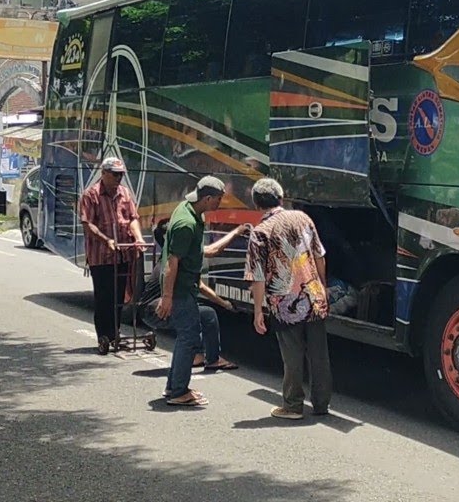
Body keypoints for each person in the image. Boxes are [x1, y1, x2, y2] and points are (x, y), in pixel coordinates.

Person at [245, 178, 332, 421]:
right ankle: (321, 404)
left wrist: (258, 311)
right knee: (319, 354)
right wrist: (322, 286)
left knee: (292, 356)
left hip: (285, 305)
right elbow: (319, 255)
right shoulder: (303, 219)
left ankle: (293, 406)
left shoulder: (260, 232)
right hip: (314, 296)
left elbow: (258, 277)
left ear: (256, 204)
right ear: (280, 198)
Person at [140, 218, 249, 386]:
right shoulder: (177, 257)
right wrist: (237, 231)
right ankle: (210, 360)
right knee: (206, 314)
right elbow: (212, 251)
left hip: (151, 309)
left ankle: (197, 357)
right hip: (155, 310)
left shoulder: (171, 256)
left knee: (194, 310)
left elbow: (198, 284)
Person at [155, 175, 228, 407]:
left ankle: (173, 386)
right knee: (189, 338)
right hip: (180, 289)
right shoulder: (186, 223)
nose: (219, 204)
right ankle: (178, 391)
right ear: (206, 199)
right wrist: (167, 297)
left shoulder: (189, 210)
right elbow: (172, 263)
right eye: (218, 199)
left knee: (185, 337)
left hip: (185, 287)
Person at [78, 156, 146, 353]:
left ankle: (115, 332)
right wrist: (106, 240)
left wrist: (139, 238)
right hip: (101, 256)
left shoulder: (125, 194)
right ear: (104, 173)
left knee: (119, 296)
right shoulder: (91, 195)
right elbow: (87, 224)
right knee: (104, 298)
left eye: (121, 175)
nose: (119, 178)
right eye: (115, 174)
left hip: (123, 254)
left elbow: (132, 219)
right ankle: (104, 336)